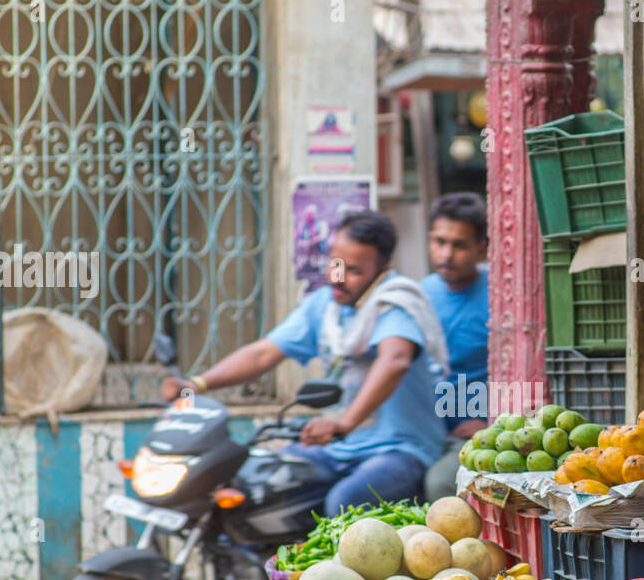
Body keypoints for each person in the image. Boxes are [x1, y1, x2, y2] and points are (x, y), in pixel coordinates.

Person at [161, 210, 448, 514]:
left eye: (354, 270)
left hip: (400, 449)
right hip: (336, 447)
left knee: (344, 502)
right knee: (255, 485)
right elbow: (264, 353)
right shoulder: (325, 306)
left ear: (382, 270)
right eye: (335, 264)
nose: (338, 277)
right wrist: (197, 384)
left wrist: (343, 423)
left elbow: (395, 360)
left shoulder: (395, 304)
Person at [419, 193, 491, 500]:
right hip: (424, 431)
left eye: (459, 245)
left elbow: (529, 368)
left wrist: (490, 420)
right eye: (439, 241)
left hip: (473, 433)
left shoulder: (500, 296)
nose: (446, 254)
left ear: (481, 249)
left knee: (439, 484)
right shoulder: (419, 293)